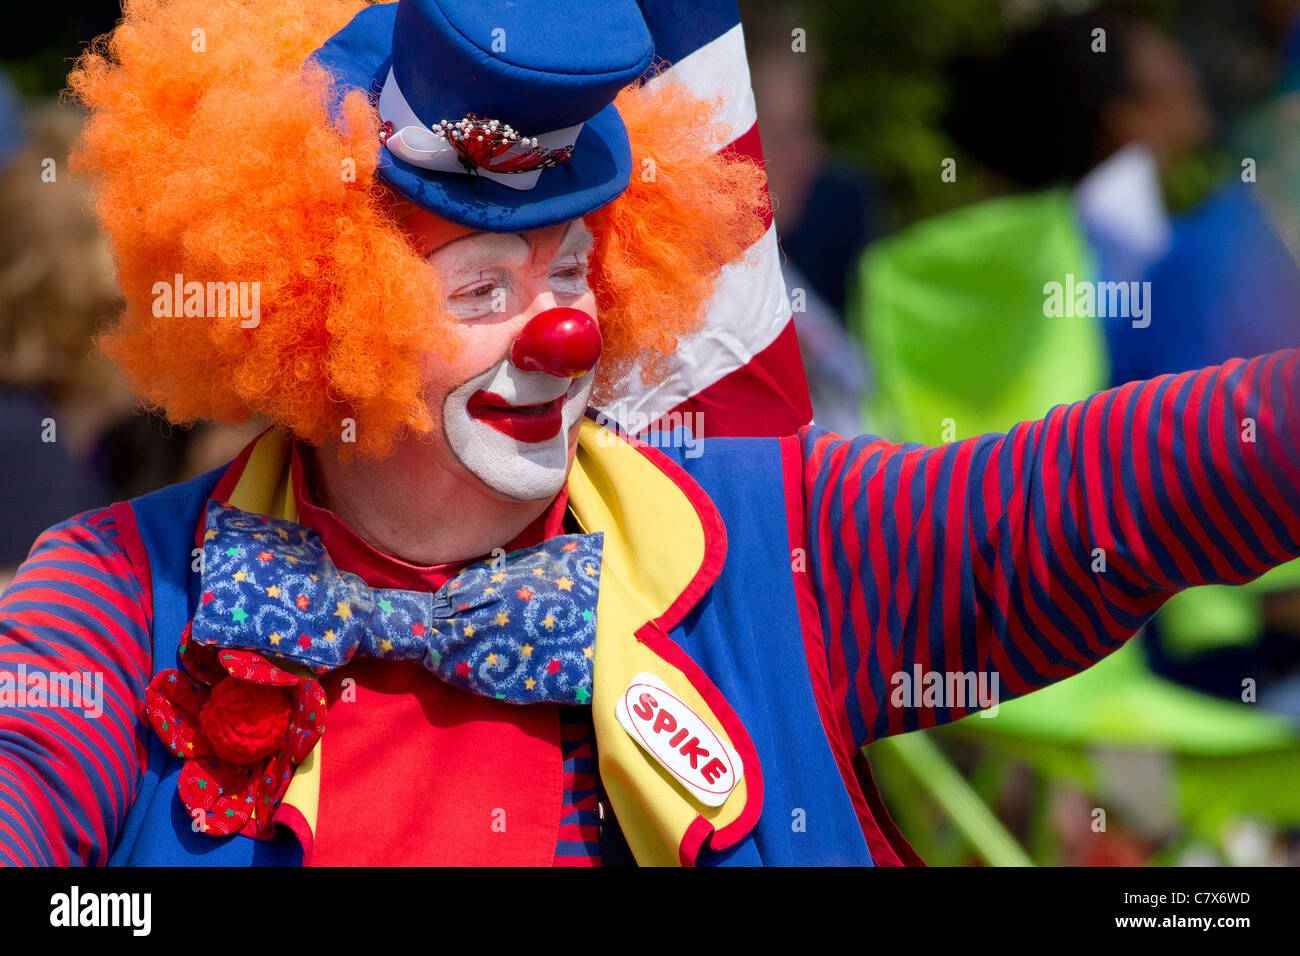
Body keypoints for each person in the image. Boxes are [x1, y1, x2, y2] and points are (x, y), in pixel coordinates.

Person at [3, 0, 1300, 868]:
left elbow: (1096, 491)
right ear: (320, 313)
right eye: (482, 291)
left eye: (570, 273)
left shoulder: (770, 545)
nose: (560, 333)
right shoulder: (120, 594)